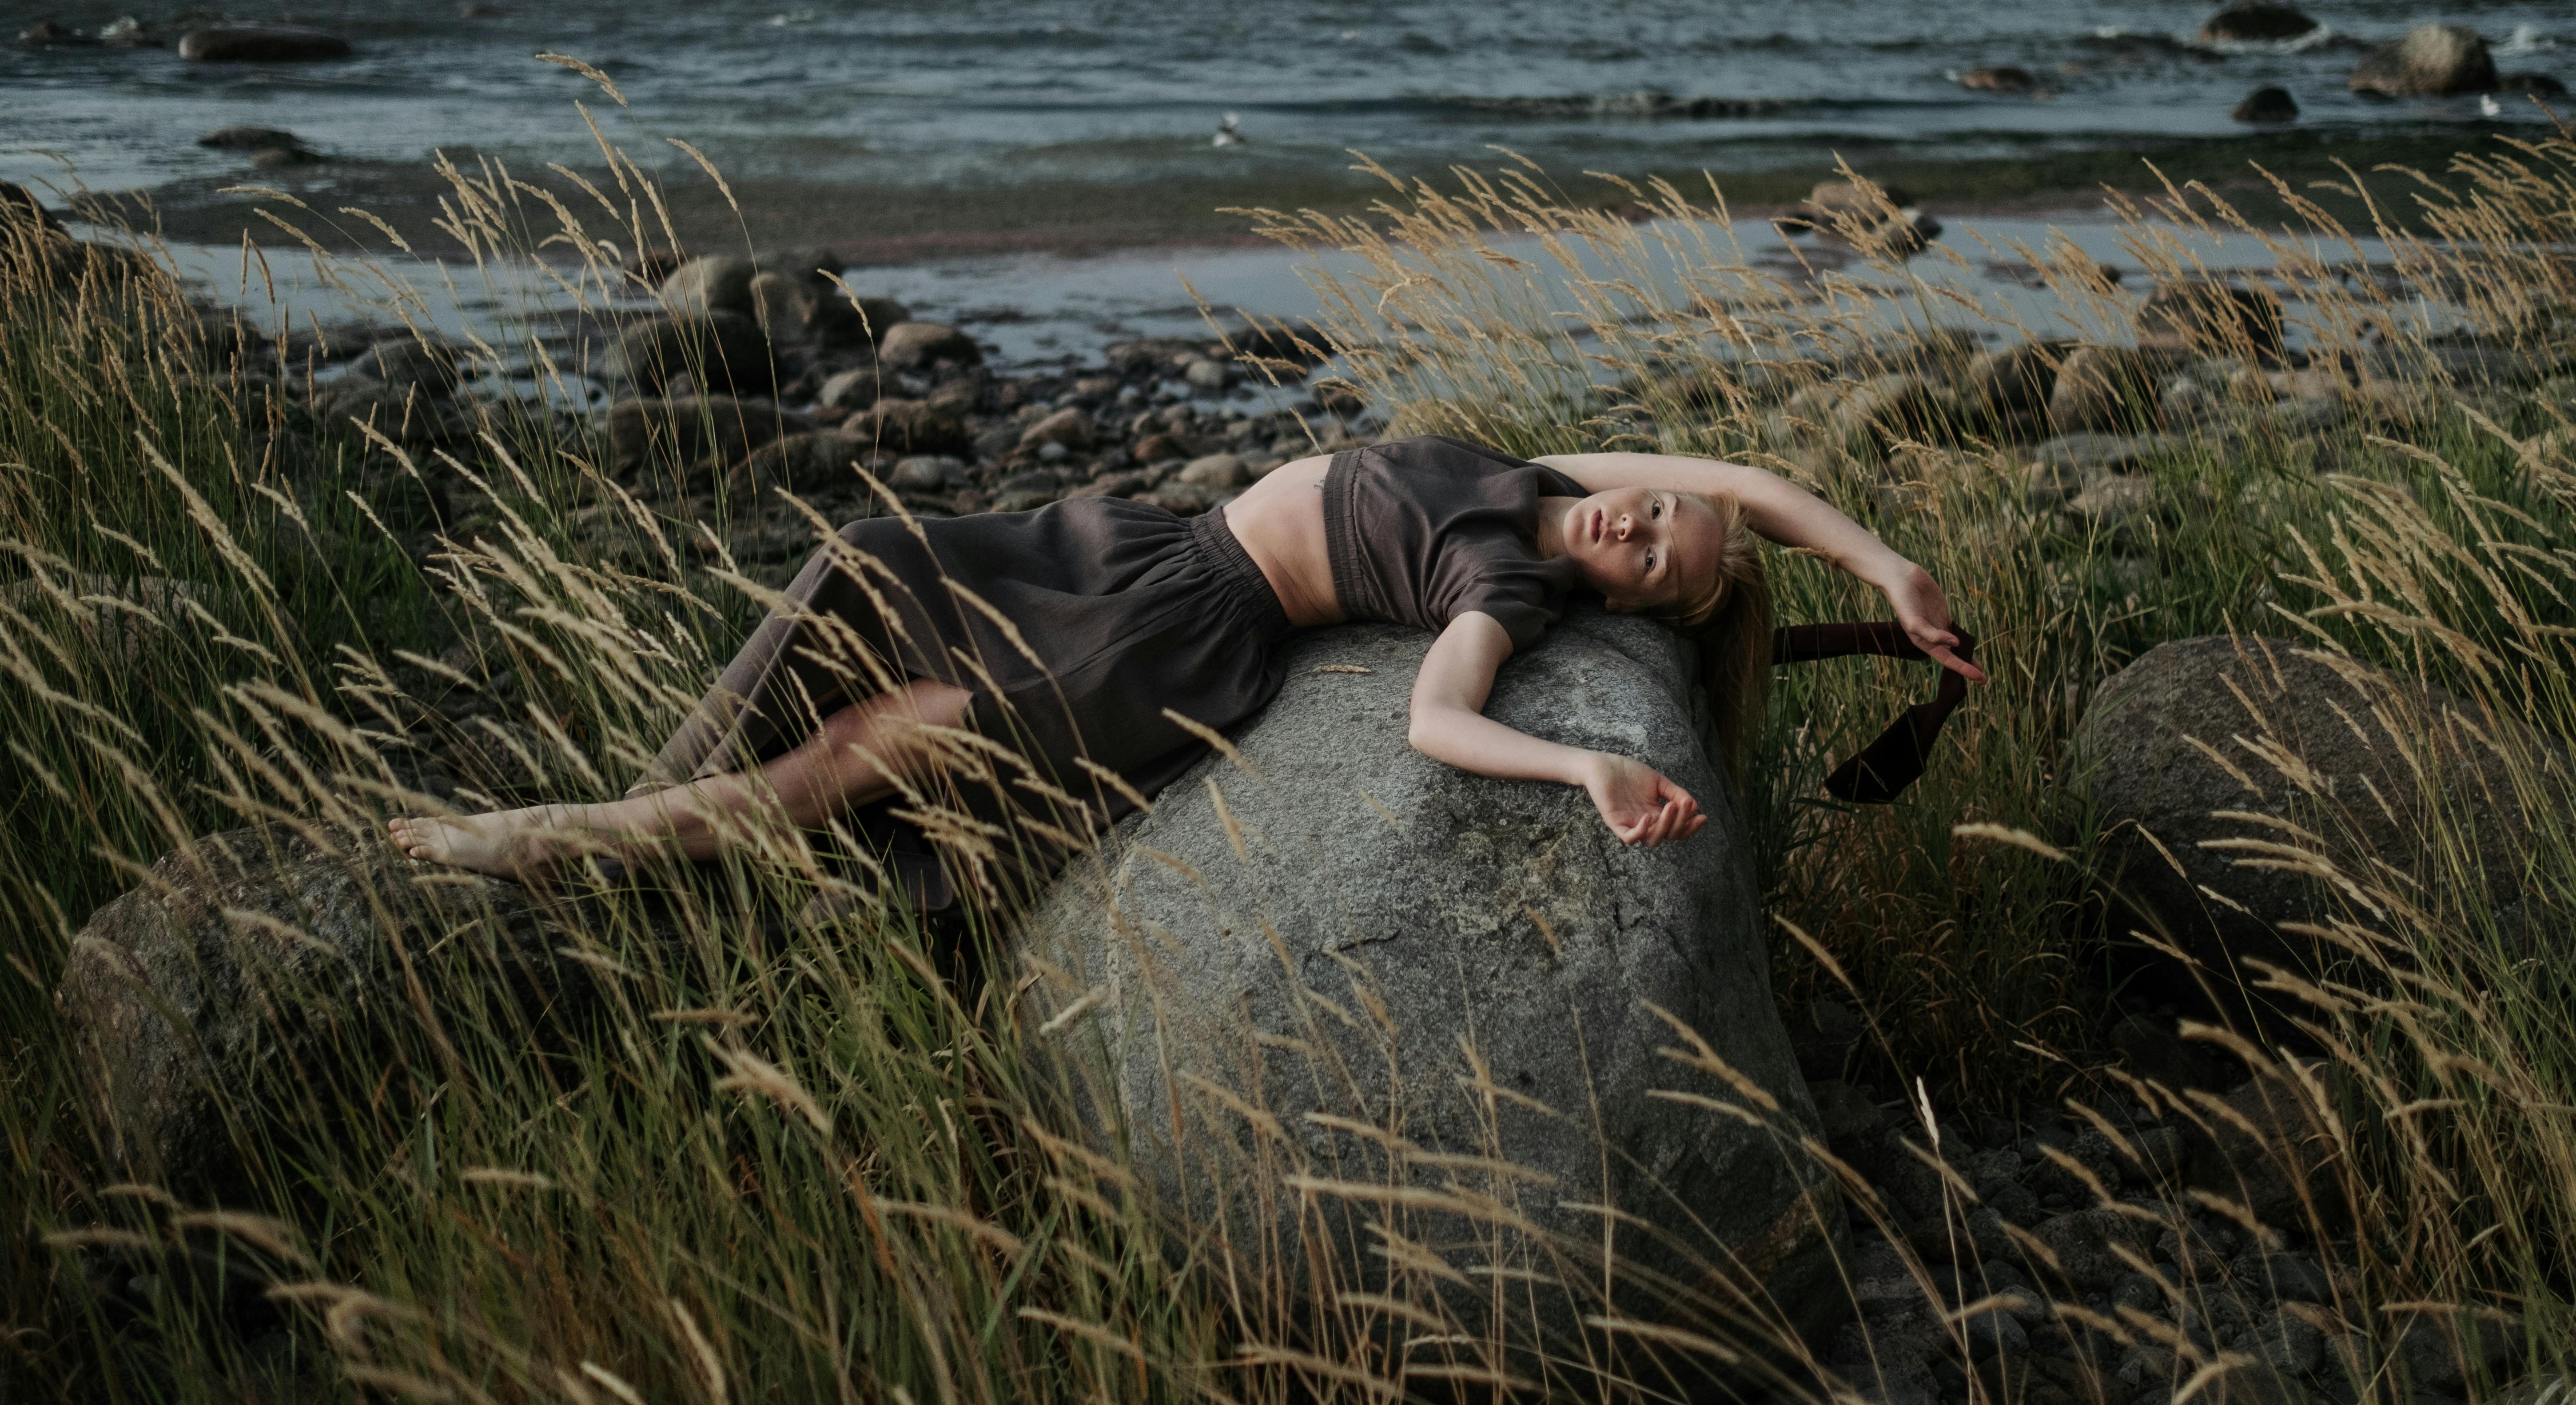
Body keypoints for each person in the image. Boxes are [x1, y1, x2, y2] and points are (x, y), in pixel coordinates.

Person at [387, 436, 1981, 890]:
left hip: (1176, 633)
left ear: (1633, 608)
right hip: (1138, 540)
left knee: (883, 740)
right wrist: (1880, 569)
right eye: (1665, 514)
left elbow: (1434, 722)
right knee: (853, 565)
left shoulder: (1509, 578)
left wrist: (1586, 765)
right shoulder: (1553, 475)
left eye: (1658, 564)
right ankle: (654, 817)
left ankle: (575, 849)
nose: (1646, 527)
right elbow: (1756, 486)